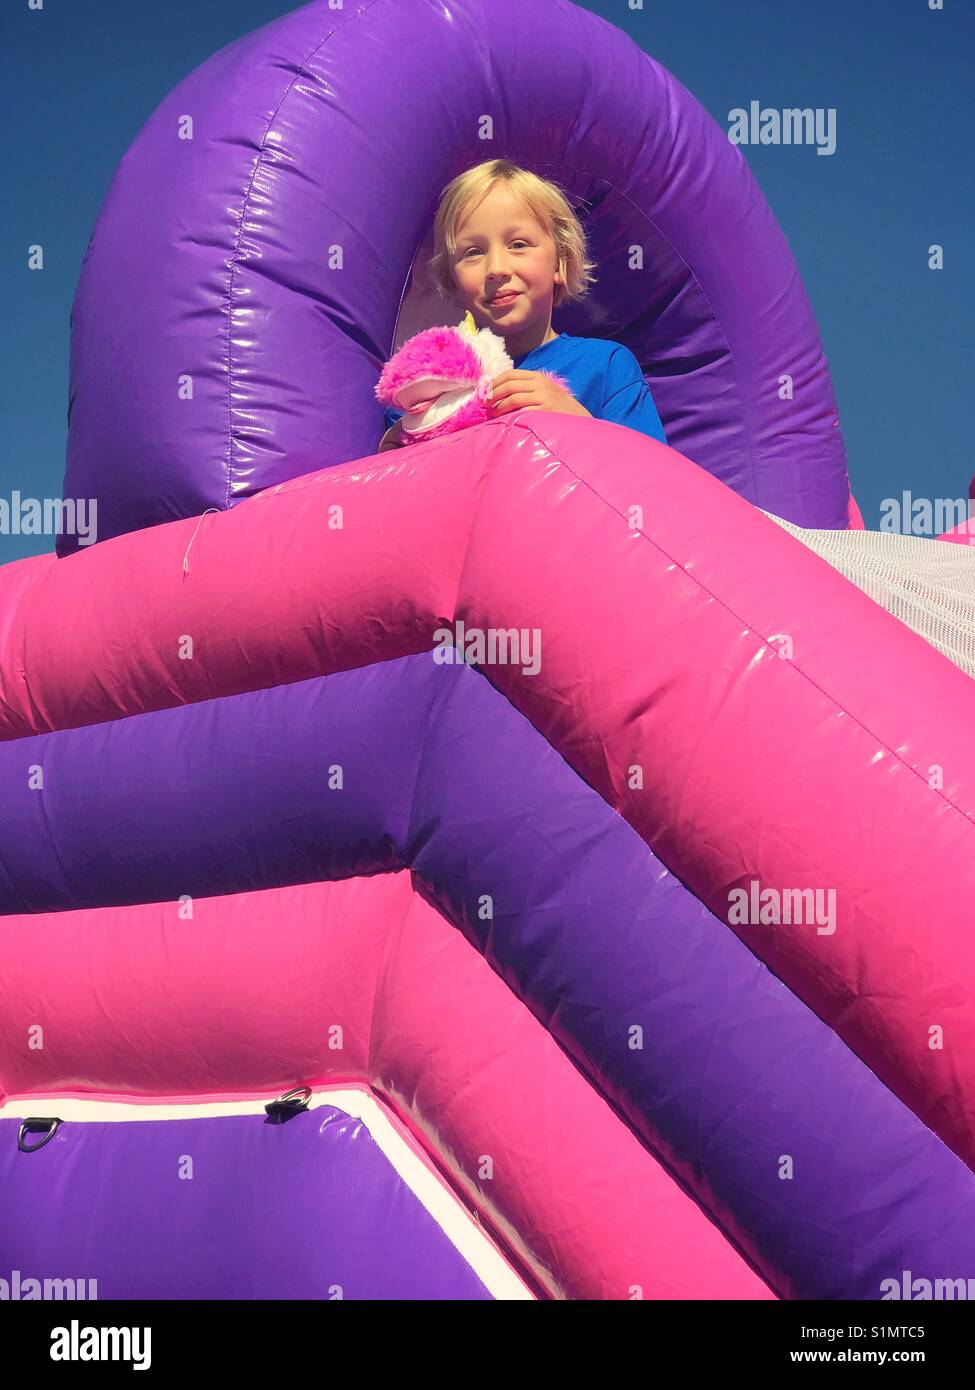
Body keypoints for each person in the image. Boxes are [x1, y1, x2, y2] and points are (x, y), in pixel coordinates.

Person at [379, 158, 667, 450]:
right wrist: (392, 455)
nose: (497, 268)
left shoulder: (606, 368)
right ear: (452, 281)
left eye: (518, 245)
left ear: (560, 263)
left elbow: (653, 478)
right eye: (473, 252)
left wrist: (576, 421)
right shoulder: (426, 385)